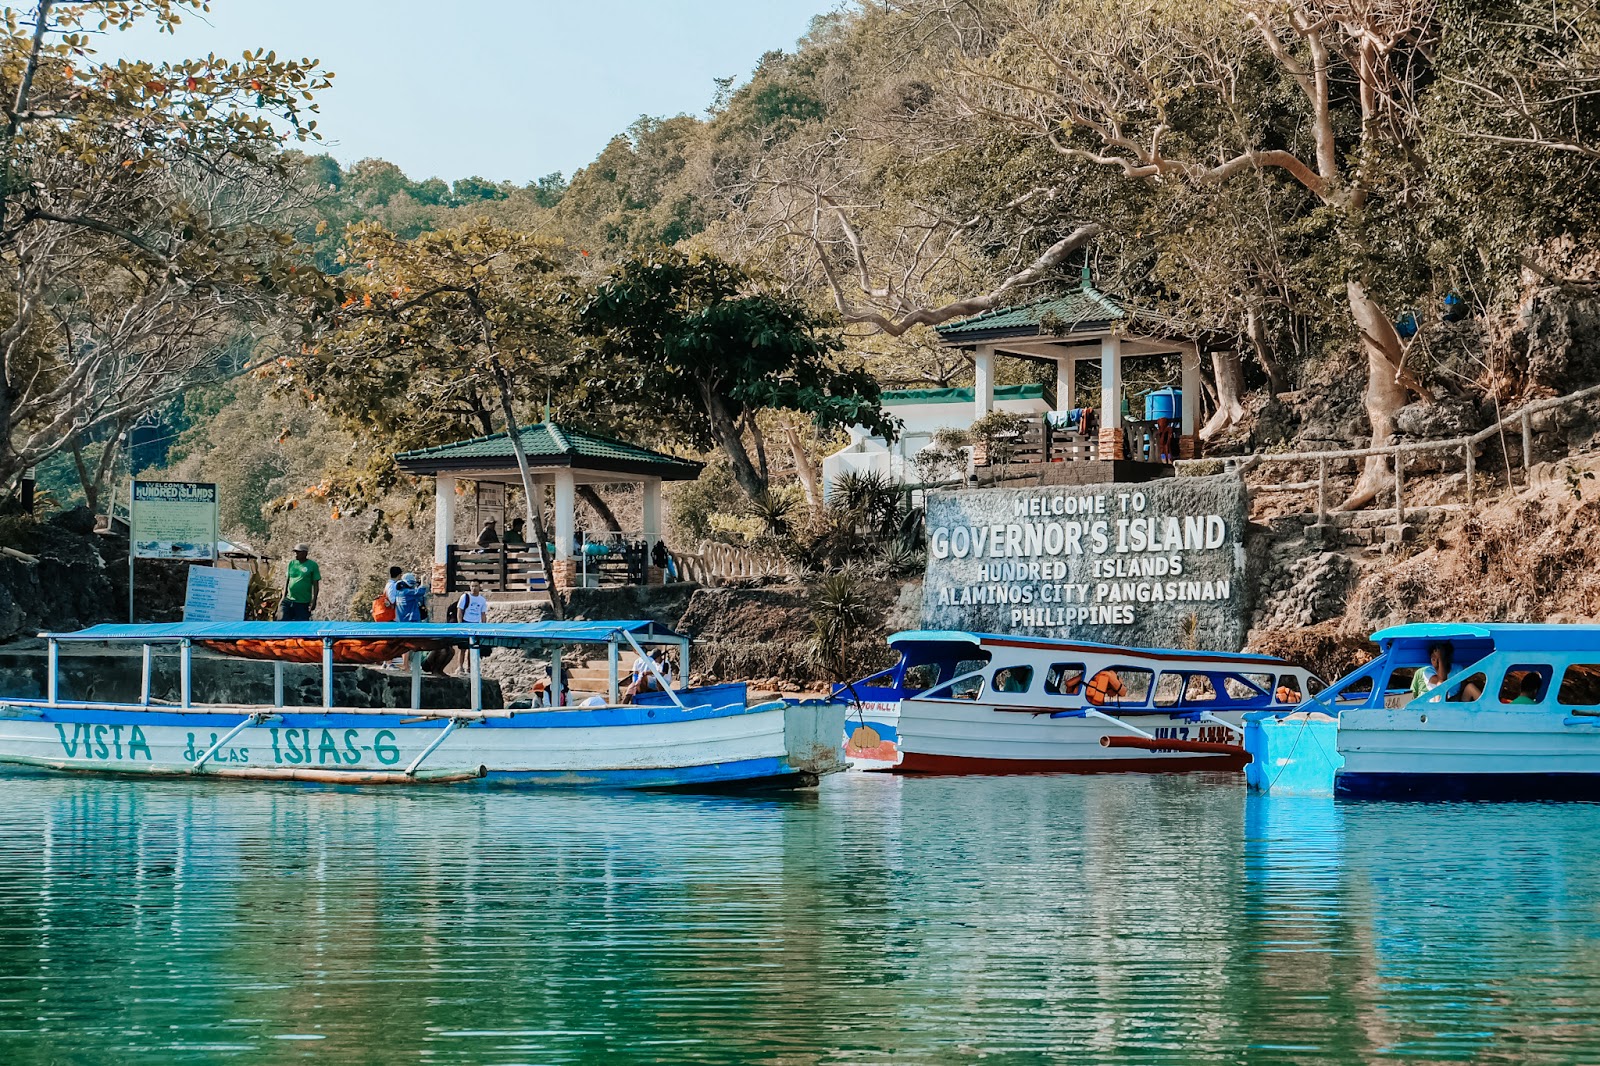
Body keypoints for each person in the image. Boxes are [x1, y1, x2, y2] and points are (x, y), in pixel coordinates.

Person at [279, 543, 320, 621]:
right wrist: (283, 597)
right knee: (282, 622)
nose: (296, 554)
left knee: (301, 625)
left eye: (298, 552)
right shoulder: (292, 564)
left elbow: (315, 585)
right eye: (295, 552)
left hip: (302, 602)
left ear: (305, 553)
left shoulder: (312, 565)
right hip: (288, 600)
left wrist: (314, 601)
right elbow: (287, 580)